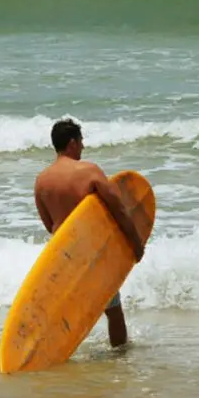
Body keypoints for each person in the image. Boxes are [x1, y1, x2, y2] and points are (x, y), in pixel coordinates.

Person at [34, 119, 148, 348]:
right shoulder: (88, 171)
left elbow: (49, 224)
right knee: (113, 311)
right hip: (90, 255)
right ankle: (119, 357)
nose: (83, 147)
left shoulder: (41, 181)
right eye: (81, 142)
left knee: (66, 313)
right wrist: (136, 244)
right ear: (73, 143)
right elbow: (120, 210)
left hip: (60, 256)